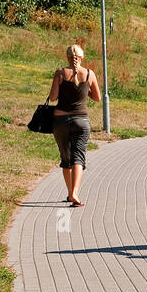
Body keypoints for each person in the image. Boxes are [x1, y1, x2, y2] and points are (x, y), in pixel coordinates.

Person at [48, 44, 101, 207]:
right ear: (81, 58)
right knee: (78, 157)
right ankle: (75, 193)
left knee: (66, 159)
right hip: (81, 121)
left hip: (61, 121)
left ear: (67, 57)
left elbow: (53, 97)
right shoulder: (89, 74)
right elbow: (97, 98)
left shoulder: (60, 73)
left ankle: (70, 192)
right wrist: (84, 91)